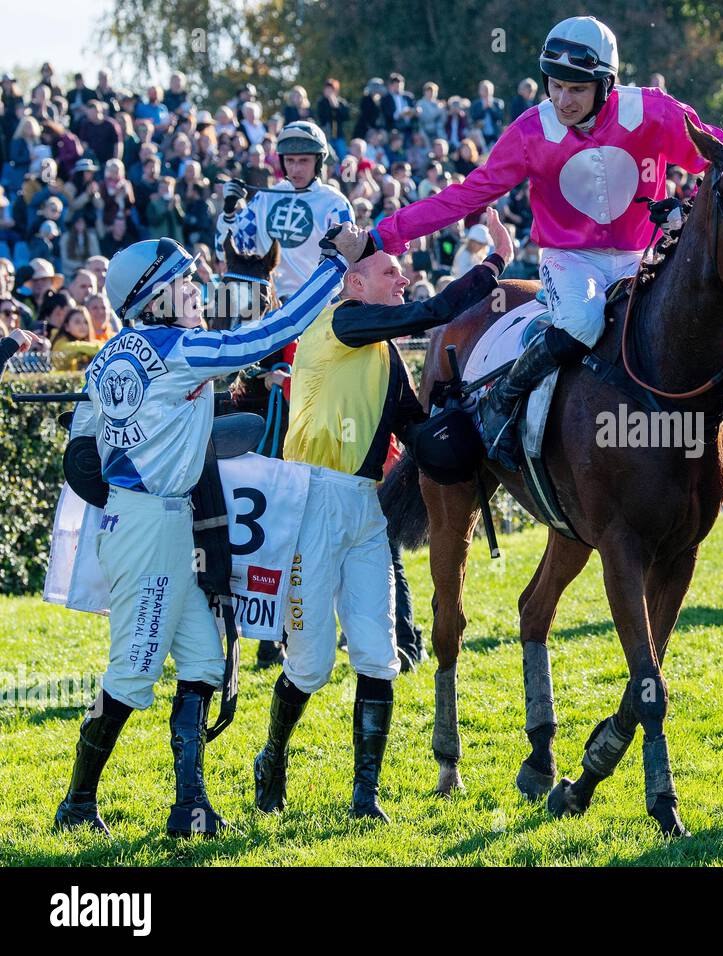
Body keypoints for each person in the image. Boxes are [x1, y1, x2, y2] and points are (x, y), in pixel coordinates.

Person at [54, 223, 369, 838]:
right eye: (187, 282)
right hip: (151, 526)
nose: (198, 289)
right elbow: (272, 333)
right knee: (131, 674)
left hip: (144, 520)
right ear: (158, 296)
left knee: (201, 662)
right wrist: (334, 265)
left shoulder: (109, 356)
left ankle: (189, 804)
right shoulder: (176, 349)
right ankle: (77, 804)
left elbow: (81, 453)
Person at [369, 15, 723, 471]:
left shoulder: (654, 112)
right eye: (555, 86)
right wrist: (384, 234)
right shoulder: (530, 131)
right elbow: (463, 197)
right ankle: (504, 399)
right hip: (569, 258)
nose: (562, 99)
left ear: (606, 84)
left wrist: (715, 191)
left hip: (639, 258)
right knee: (582, 319)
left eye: (576, 89)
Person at [253, 208, 513, 822]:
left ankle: (364, 795)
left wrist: (474, 424)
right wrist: (494, 261)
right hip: (310, 504)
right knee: (310, 665)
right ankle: (272, 757)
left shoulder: (384, 351)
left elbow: (416, 432)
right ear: (353, 283)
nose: (403, 279)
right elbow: (429, 311)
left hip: (365, 510)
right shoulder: (340, 322)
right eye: (391, 270)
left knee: (378, 654)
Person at [219, 120, 353, 299]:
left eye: (303, 161)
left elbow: (344, 265)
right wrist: (228, 213)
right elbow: (226, 253)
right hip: (267, 305)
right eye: (290, 160)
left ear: (319, 161)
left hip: (315, 308)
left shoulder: (335, 204)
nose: (295, 168)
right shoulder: (264, 198)